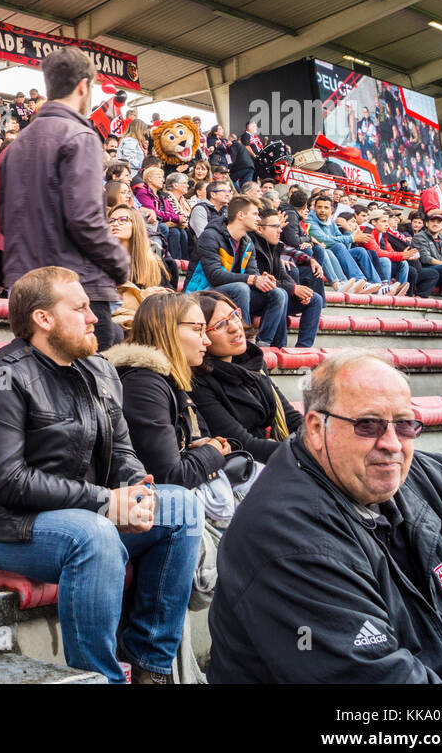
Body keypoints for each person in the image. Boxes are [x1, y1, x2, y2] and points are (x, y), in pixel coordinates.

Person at [0, 266, 203, 684]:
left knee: (181, 508)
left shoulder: (100, 371)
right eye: (80, 307)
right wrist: (104, 502)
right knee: (93, 534)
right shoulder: (5, 375)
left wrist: (136, 491)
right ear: (43, 319)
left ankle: (150, 668)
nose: (94, 317)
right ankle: (98, 678)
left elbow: (121, 449)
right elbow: (9, 481)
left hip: (73, 513)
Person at [208, 351, 442, 683]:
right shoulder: (290, 542)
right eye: (368, 425)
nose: (393, 444)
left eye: (405, 424)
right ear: (318, 428)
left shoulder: (436, 478)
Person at [0, 47, 130, 350]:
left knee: (41, 381)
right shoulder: (80, 136)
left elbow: (5, 216)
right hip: (76, 288)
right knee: (93, 383)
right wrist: (120, 262)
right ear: (84, 86)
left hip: (27, 286)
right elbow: (84, 219)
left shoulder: (20, 142)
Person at [104, 292, 256, 526]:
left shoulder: (170, 381)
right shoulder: (144, 386)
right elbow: (170, 478)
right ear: (166, 330)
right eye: (197, 330)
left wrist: (210, 446)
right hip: (142, 508)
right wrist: (214, 450)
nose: (206, 341)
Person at [191, 289, 302, 462]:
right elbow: (242, 443)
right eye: (220, 325)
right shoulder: (199, 382)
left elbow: (290, 417)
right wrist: (308, 453)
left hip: (276, 452)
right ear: (201, 335)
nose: (235, 327)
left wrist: (318, 441)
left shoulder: (253, 362)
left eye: (234, 315)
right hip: (245, 465)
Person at [186, 194, 289, 348]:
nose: (258, 219)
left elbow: (252, 272)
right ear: (240, 215)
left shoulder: (247, 242)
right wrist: (252, 279)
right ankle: (246, 341)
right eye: (254, 214)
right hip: (201, 293)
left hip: (233, 294)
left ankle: (265, 344)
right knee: (241, 288)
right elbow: (214, 276)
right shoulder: (211, 236)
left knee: (277, 293)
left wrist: (262, 279)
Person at [251, 206, 323, 348]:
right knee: (281, 294)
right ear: (260, 229)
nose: (280, 230)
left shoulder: (274, 246)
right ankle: (277, 346)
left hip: (273, 295)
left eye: (280, 226)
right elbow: (258, 278)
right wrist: (293, 288)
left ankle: (303, 349)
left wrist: (298, 289)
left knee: (315, 299)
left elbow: (282, 274)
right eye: (275, 226)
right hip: (256, 297)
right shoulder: (252, 245)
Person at [108, 205, 175, 294]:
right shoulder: (101, 260)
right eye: (111, 221)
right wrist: (141, 294)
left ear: (136, 224)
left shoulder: (153, 261)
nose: (115, 224)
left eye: (123, 220)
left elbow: (166, 294)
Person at [134, 165, 187, 260]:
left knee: (181, 232)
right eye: (159, 177)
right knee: (166, 229)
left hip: (164, 222)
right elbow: (153, 212)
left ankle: (182, 263)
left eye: (162, 177)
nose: (162, 180)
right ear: (149, 179)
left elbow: (170, 211)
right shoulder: (142, 192)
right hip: (151, 223)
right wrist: (175, 218)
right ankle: (166, 260)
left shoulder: (162, 195)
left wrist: (179, 218)